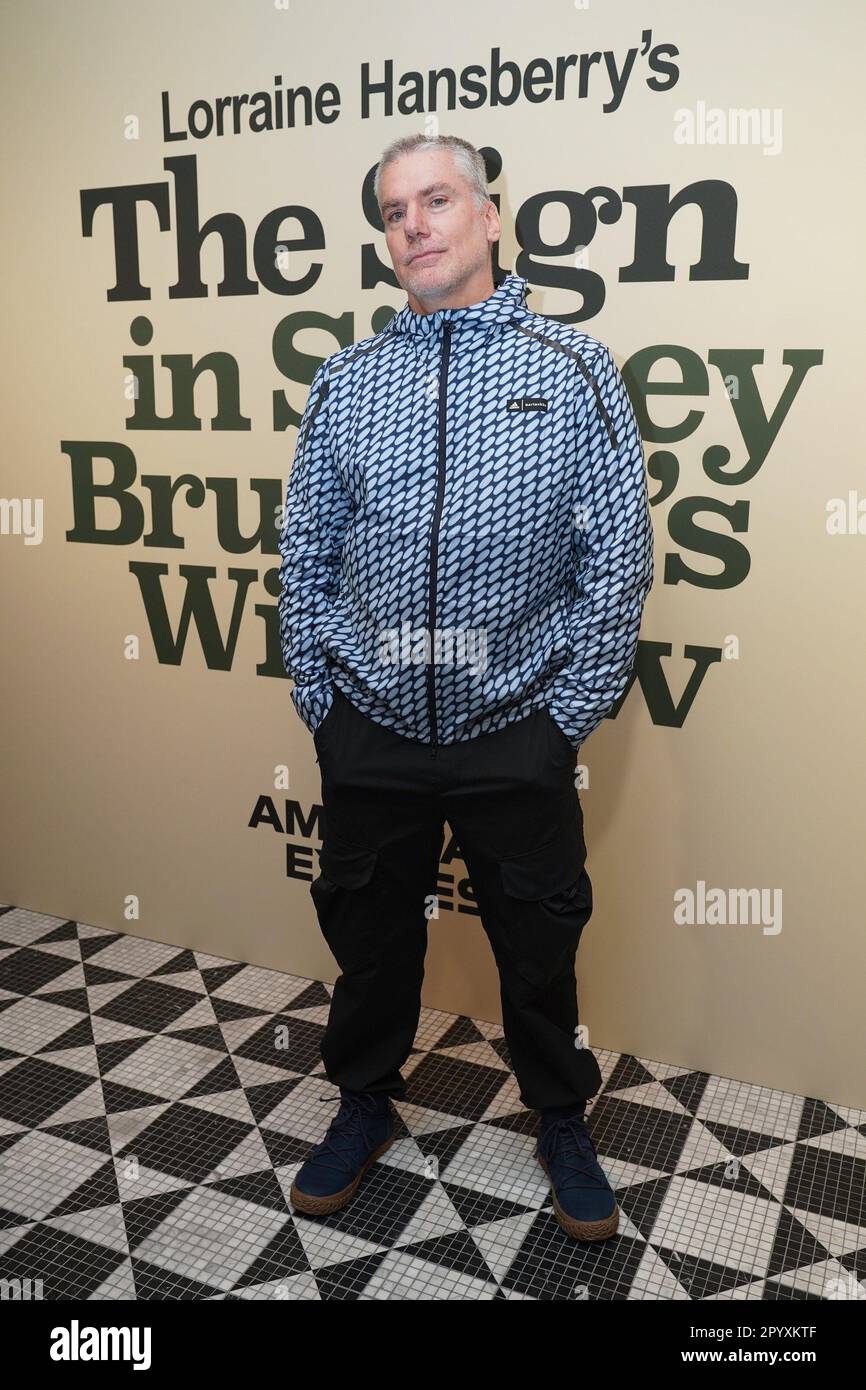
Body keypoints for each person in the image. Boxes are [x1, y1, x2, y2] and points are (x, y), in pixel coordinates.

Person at [277, 133, 654, 1242]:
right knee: (369, 934)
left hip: (514, 729)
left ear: (489, 218)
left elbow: (616, 559)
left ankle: (558, 1118)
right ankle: (362, 1104)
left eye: (435, 200)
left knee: (537, 941)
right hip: (374, 722)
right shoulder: (347, 379)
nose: (413, 226)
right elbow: (306, 548)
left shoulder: (572, 366)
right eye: (393, 212)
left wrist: (563, 717)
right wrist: (324, 698)